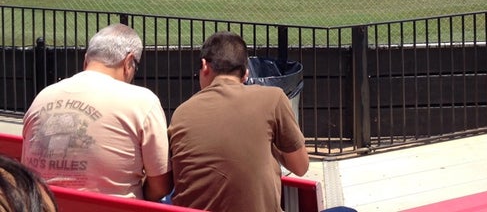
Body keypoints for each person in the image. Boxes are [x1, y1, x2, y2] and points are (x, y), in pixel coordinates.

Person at [21, 24, 172, 201]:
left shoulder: (42, 97)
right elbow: (161, 186)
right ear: (128, 62)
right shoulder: (143, 100)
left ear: (86, 60)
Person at [168, 31, 309, 212]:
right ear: (245, 75)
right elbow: (300, 166)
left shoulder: (181, 113)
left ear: (204, 66)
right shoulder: (273, 98)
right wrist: (271, 146)